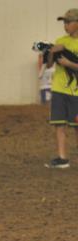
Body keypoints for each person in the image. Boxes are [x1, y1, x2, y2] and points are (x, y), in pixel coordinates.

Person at [45, 8, 78, 169]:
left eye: (68, 22)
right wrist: (51, 52)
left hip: (76, 92)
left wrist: (69, 64)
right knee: (59, 124)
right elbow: (49, 65)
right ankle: (62, 158)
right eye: (64, 22)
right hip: (59, 89)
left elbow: (70, 65)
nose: (65, 25)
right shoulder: (60, 40)